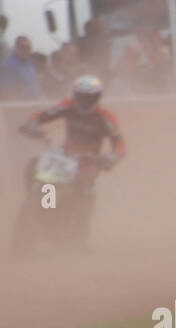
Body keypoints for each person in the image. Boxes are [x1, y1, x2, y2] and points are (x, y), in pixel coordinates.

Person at [16, 76, 123, 246]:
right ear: (75, 95)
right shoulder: (68, 106)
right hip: (64, 156)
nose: (84, 101)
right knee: (35, 168)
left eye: (89, 98)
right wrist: (32, 125)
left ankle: (79, 235)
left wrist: (111, 157)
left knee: (83, 191)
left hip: (88, 161)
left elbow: (119, 143)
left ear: (97, 98)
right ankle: (43, 206)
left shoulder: (105, 117)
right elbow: (42, 115)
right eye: (81, 96)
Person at [1, 35, 42, 99]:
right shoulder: (9, 66)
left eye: (28, 48)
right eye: (22, 47)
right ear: (16, 48)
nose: (25, 50)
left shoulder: (30, 64)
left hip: (36, 104)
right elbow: (9, 91)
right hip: (21, 106)